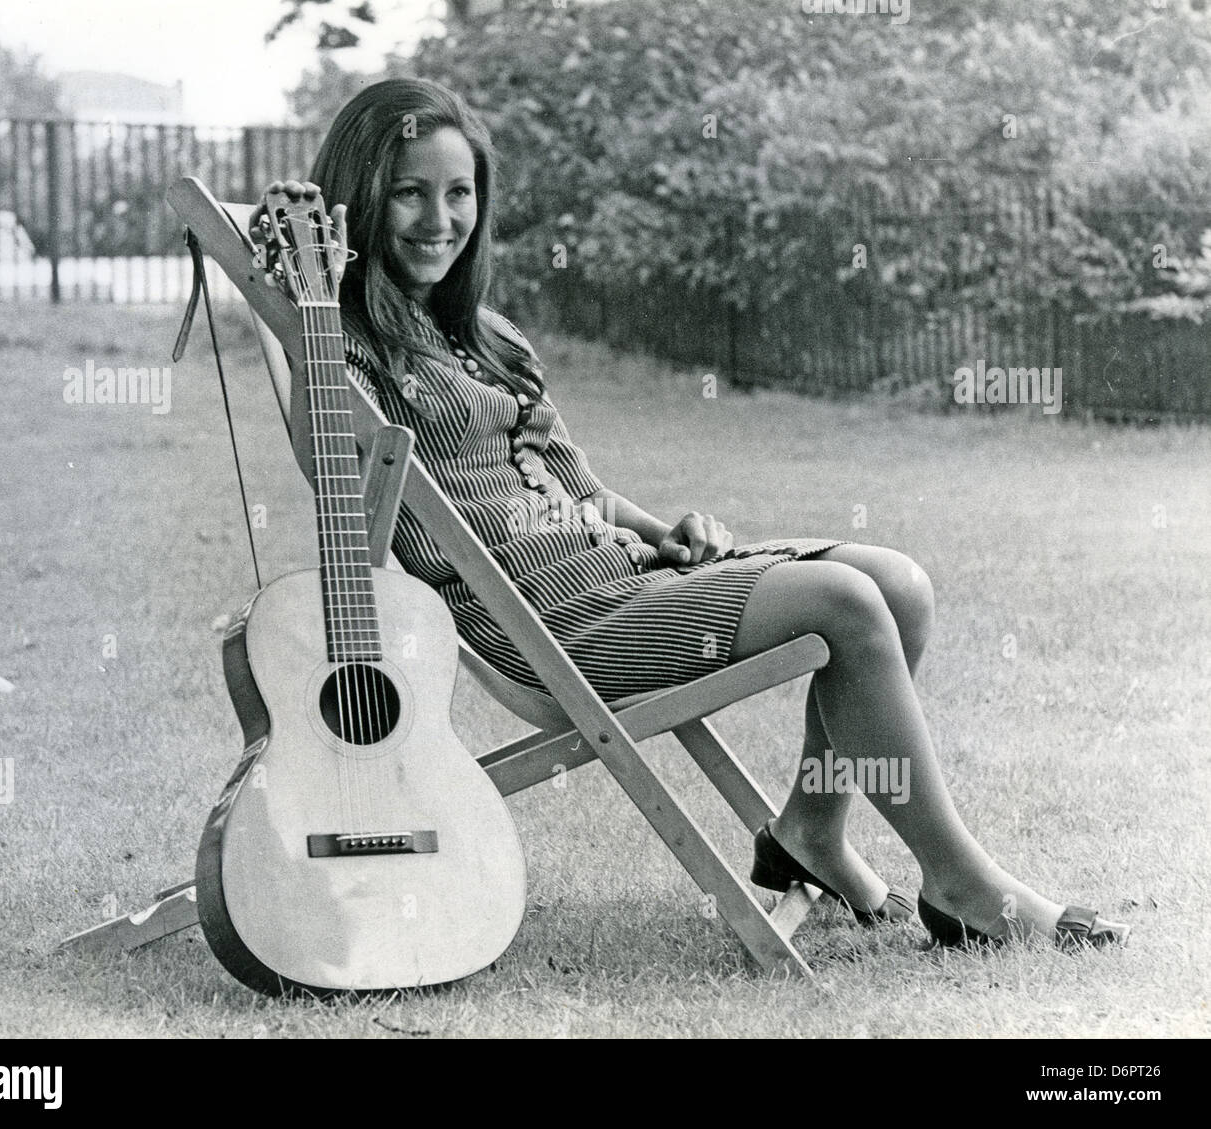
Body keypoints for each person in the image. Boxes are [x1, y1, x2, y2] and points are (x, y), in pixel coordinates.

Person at [289, 76, 1128, 951]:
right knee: (843, 601)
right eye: (408, 192)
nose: (439, 219)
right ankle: (962, 884)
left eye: (459, 192)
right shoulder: (341, 349)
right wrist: (306, 294)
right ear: (357, 202)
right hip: (550, 625)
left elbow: (579, 487)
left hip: (623, 573)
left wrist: (660, 529)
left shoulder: (488, 337)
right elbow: (330, 469)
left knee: (899, 585)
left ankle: (808, 834)